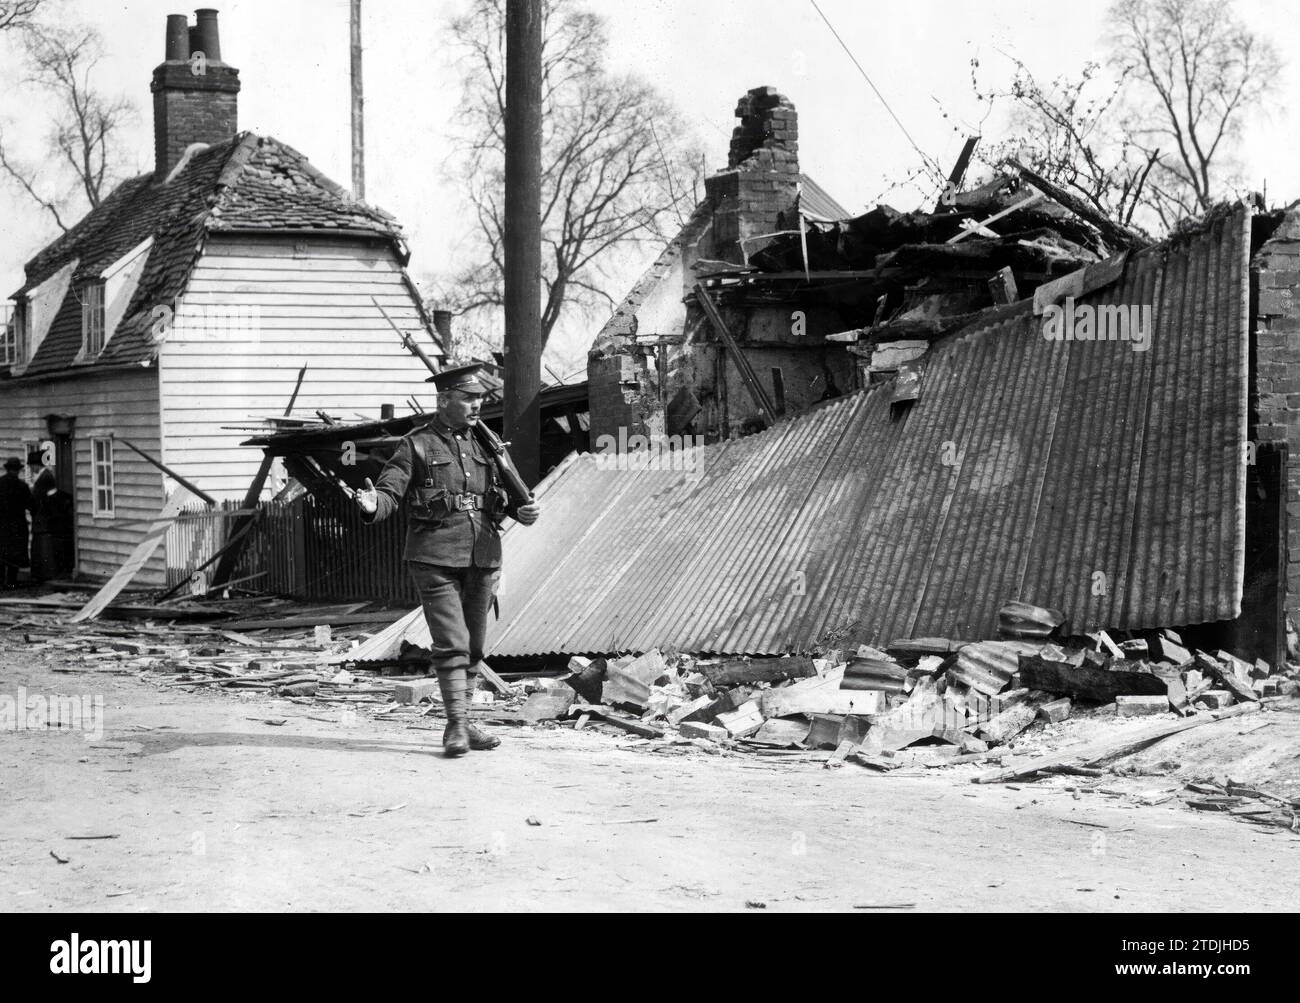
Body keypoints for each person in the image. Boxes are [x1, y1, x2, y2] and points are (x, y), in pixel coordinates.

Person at [355, 364, 541, 758]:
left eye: (479, 398)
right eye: (468, 398)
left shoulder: (485, 445)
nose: (477, 405)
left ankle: (464, 720)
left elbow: (498, 500)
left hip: (484, 555)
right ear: (444, 401)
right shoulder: (416, 445)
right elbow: (390, 492)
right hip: (435, 558)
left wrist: (518, 513)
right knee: (452, 643)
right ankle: (456, 727)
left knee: (473, 645)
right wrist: (373, 505)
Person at [0, 457, 33, 590]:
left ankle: (1, 582)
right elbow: (31, 505)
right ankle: (11, 582)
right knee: (15, 554)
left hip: (1, 524)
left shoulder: (0, 483)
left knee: (1, 554)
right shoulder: (22, 486)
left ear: (7, 469)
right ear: (18, 470)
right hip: (17, 525)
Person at [29, 452, 59, 583]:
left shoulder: (46, 477)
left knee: (44, 544)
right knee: (39, 543)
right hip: (40, 516)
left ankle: (45, 573)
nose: (31, 468)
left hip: (44, 516)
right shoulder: (42, 476)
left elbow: (50, 498)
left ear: (37, 465)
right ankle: (41, 572)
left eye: (31, 465)